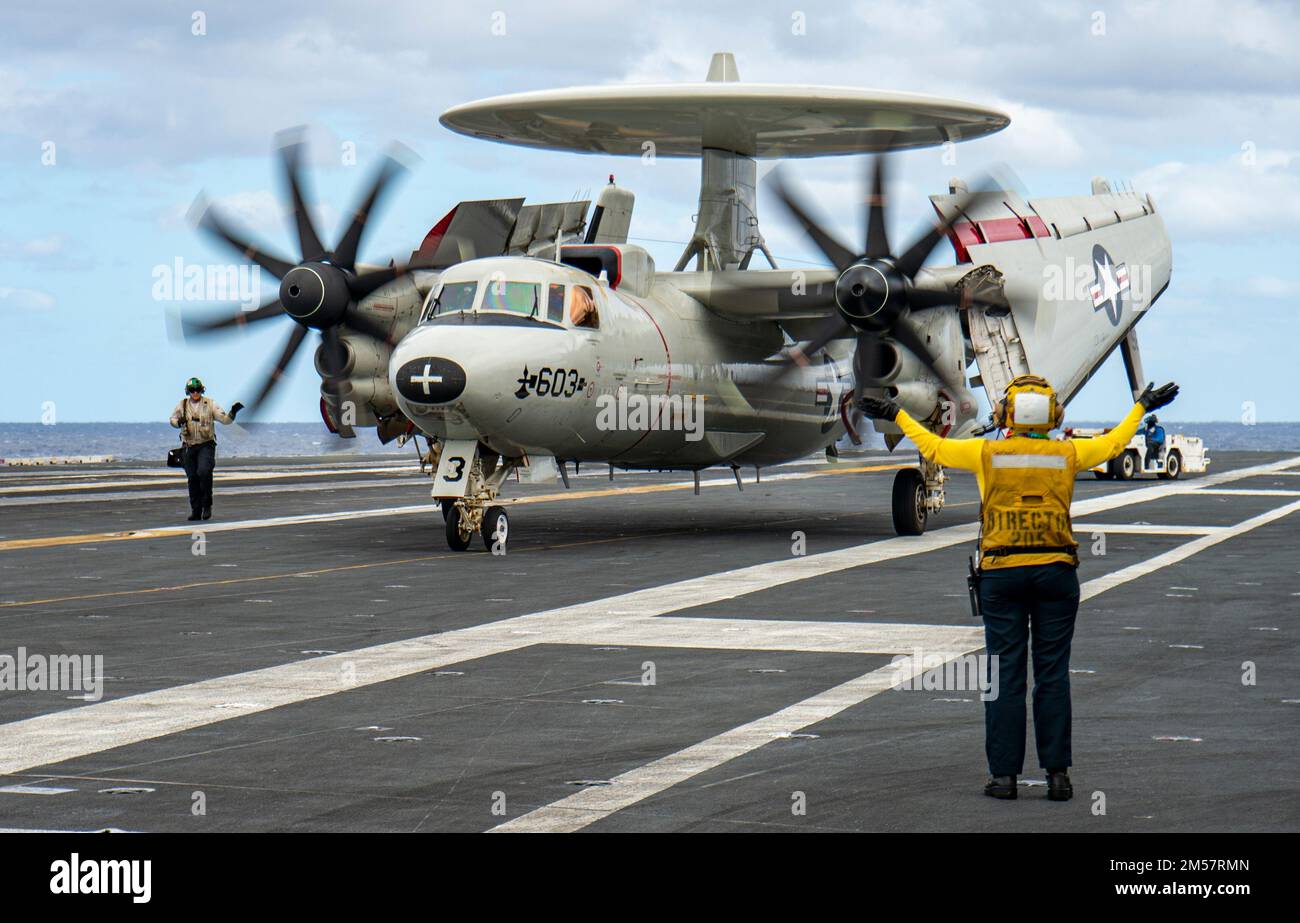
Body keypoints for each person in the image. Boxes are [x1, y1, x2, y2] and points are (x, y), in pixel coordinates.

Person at [862, 376, 1179, 801]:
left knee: (1005, 677)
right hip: (1055, 573)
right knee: (1052, 676)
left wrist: (896, 413)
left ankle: (1005, 778)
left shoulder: (987, 452)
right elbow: (1113, 444)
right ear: (1054, 415)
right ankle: (1058, 777)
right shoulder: (1068, 452)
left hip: (1002, 575)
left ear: (1008, 414)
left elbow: (935, 447)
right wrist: (1141, 406)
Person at [169, 378, 243, 521]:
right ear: (188, 391)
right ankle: (196, 510)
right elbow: (172, 419)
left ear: (202, 390)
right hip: (188, 446)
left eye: (197, 389)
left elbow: (225, 420)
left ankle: (207, 505)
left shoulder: (210, 404)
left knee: (204, 472)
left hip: (206, 444)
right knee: (192, 478)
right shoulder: (182, 405)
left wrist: (233, 412)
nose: (195, 392)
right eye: (192, 390)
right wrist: (178, 422)